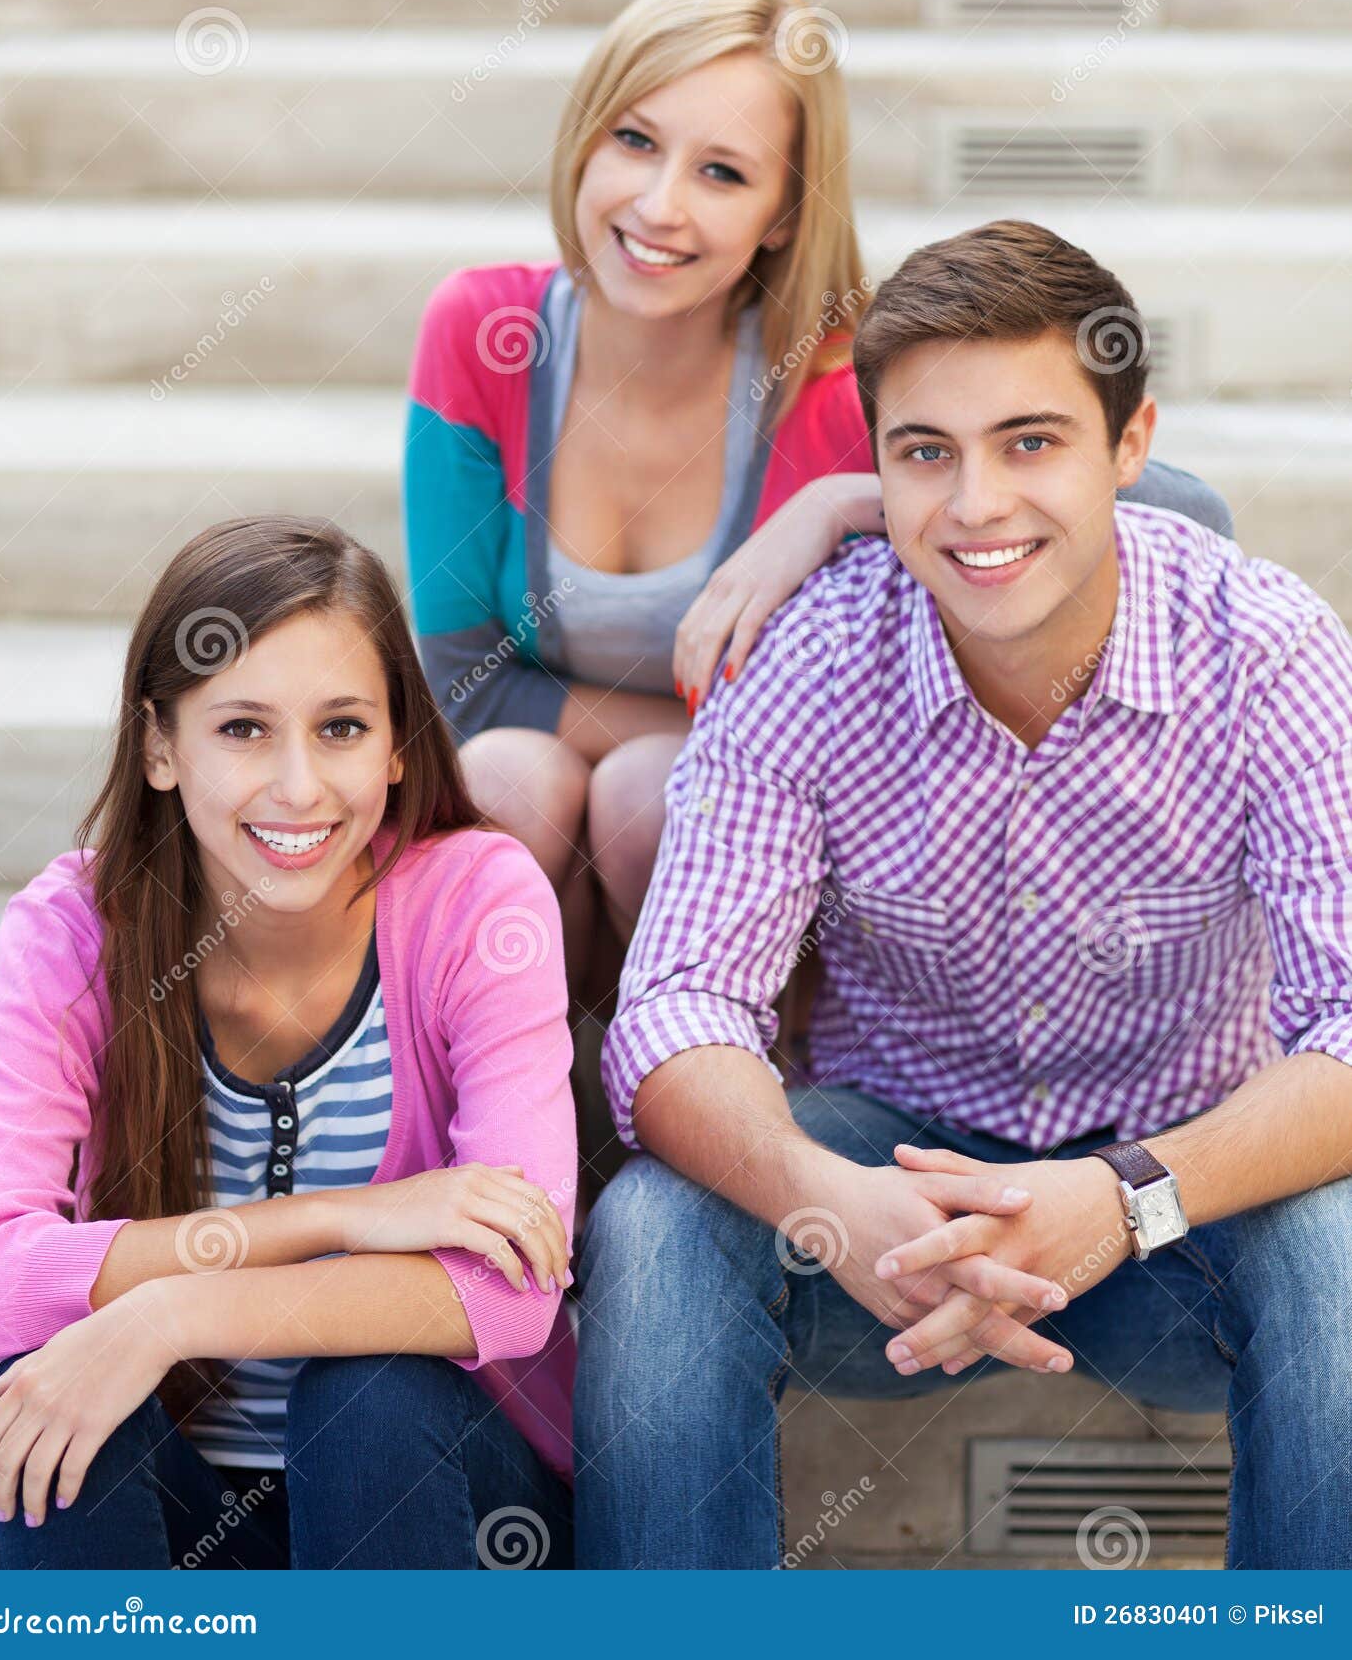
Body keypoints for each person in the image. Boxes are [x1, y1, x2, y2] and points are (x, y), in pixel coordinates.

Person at [574, 219, 1352, 1570]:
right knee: (652, 1224)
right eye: (925, 453)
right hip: (888, 1220)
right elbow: (676, 1005)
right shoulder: (811, 653)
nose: (975, 503)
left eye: (1030, 441)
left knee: (1335, 1249)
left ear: (1129, 445)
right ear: (871, 470)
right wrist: (825, 1193)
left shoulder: (1264, 650)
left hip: (1174, 1213)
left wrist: (1121, 1197)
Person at [402, 0, 1228, 1030]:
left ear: (784, 211)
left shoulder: (831, 379)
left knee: (650, 790)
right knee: (511, 777)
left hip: (761, 829)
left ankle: (717, 1085)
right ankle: (525, 1123)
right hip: (553, 781)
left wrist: (840, 496)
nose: (658, 206)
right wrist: (686, 726)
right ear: (583, 139)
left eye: (721, 172)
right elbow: (462, 679)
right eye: (634, 141)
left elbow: (1182, 511)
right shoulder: (483, 331)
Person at [0, 517, 575, 1569]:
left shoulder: (476, 900)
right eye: (243, 728)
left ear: (396, 745)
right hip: (186, 1502)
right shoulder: (74, 931)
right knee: (49, 1380)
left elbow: (509, 1287)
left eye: (340, 727)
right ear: (160, 745)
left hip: (437, 1501)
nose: (297, 786)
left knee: (372, 1396)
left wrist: (169, 1313)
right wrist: (344, 1215)